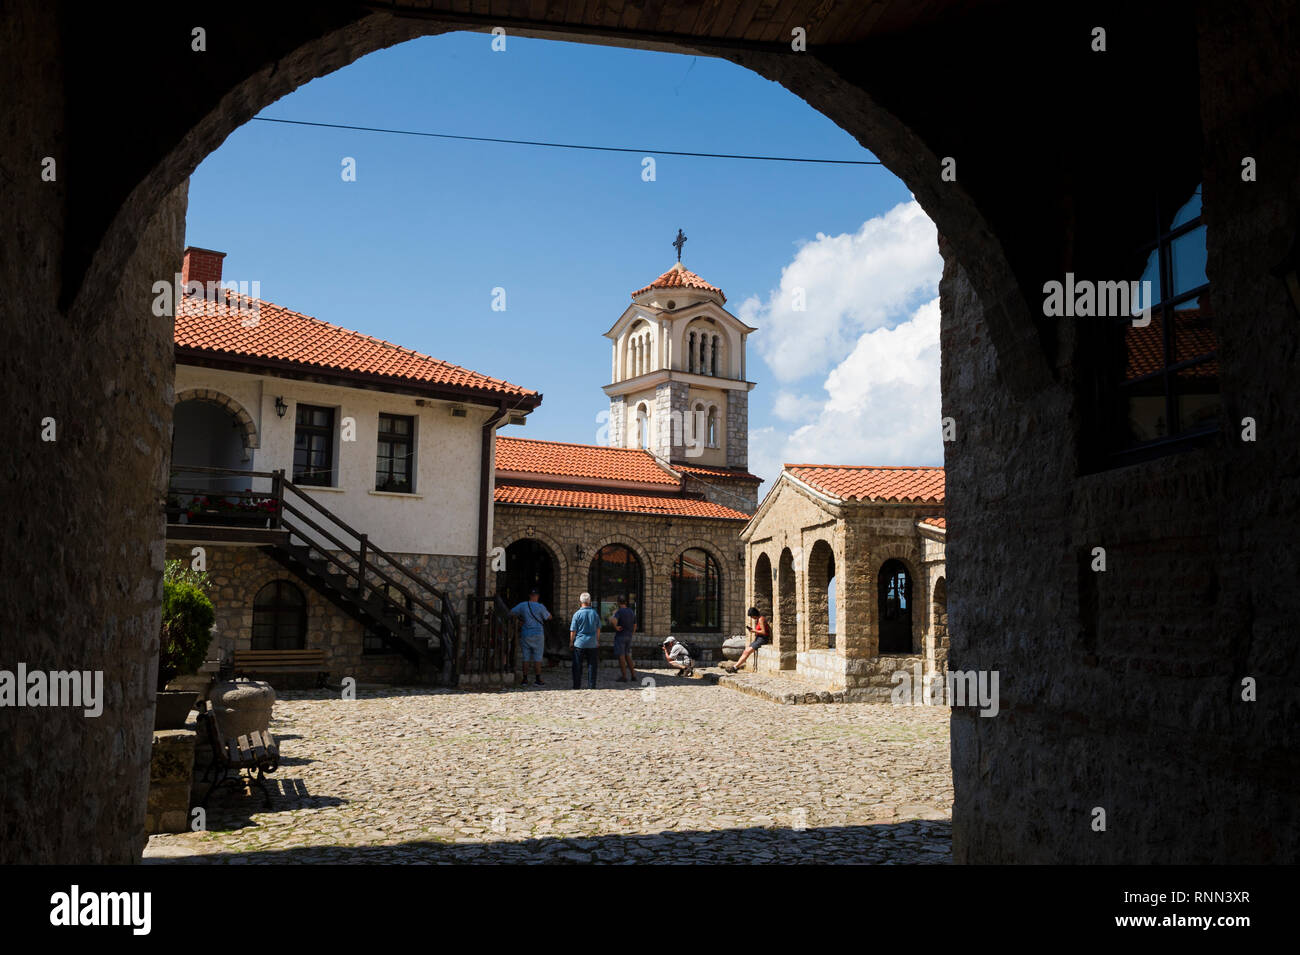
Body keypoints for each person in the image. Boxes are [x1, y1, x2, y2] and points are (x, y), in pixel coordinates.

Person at [509, 588, 551, 686]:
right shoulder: (540, 607)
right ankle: (538, 679)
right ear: (537, 596)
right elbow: (549, 617)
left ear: (529, 595)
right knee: (538, 658)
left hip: (525, 634)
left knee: (526, 657)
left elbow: (511, 612)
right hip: (538, 635)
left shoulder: (522, 605)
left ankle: (525, 679)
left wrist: (520, 620)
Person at [569, 592, 602, 689]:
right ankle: (591, 685)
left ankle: (576, 685)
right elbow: (598, 628)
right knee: (592, 665)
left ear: (580, 601)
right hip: (592, 643)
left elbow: (573, 630)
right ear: (589, 601)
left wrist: (571, 641)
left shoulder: (577, 614)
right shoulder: (594, 613)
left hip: (579, 643)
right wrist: (597, 640)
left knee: (577, 665)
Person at [725, 607, 768, 673]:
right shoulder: (758, 619)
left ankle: (735, 667)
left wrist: (753, 630)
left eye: (751, 616)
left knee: (747, 652)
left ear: (754, 614)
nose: (751, 618)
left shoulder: (761, 619)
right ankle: (735, 667)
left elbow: (764, 632)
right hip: (758, 638)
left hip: (762, 639)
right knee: (745, 651)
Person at [610, 597, 638, 682]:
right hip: (628, 636)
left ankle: (624, 676)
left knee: (621, 656)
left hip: (621, 635)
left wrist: (616, 627)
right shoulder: (631, 611)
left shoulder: (619, 611)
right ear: (625, 602)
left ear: (618, 603)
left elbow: (613, 620)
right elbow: (635, 624)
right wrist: (631, 633)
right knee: (627, 655)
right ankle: (633, 675)